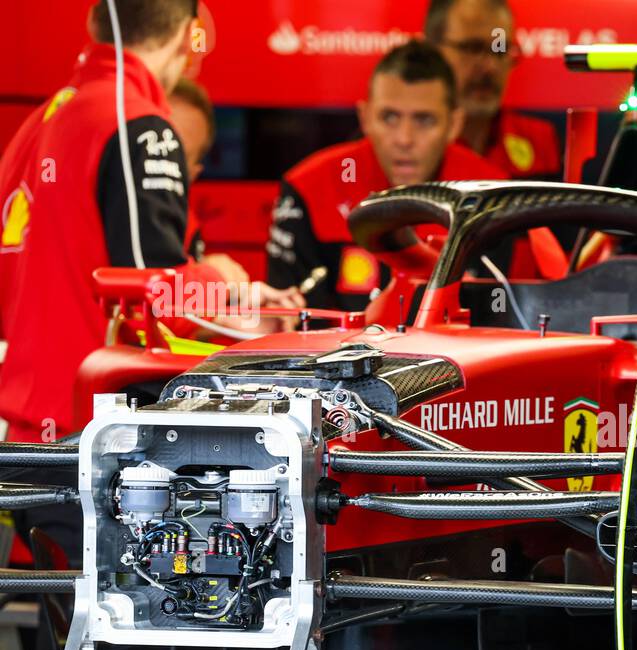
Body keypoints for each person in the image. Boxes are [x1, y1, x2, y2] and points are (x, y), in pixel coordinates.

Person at [0, 0, 301, 444]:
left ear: (96, 24)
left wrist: (241, 299)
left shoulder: (44, 118)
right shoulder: (141, 126)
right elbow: (156, 302)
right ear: (186, 36)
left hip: (27, 431)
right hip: (95, 430)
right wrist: (222, 279)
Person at [266, 39, 510, 312]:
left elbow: (493, 318)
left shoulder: (492, 194)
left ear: (454, 124)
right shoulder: (309, 188)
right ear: (365, 116)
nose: (404, 139)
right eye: (390, 117)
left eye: (424, 120)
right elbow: (288, 318)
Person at [424, 0, 560, 178]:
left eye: (500, 50)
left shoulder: (538, 140)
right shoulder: (408, 142)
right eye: (473, 48)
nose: (490, 67)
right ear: (432, 51)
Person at [167, 75, 248, 282]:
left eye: (175, 153)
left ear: (193, 174)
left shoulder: (186, 226)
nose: (158, 157)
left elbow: (166, 306)